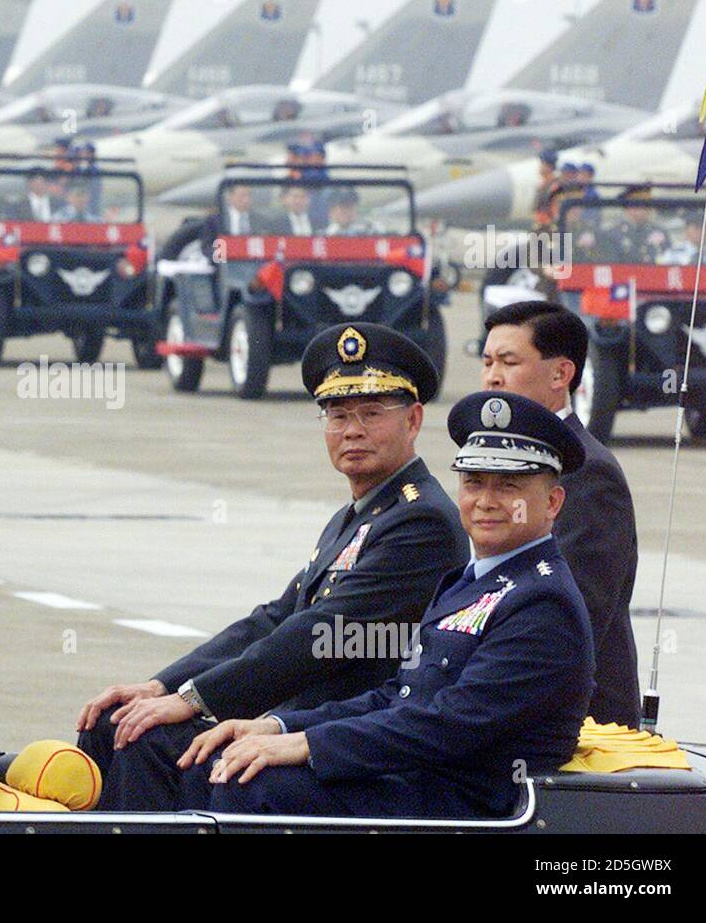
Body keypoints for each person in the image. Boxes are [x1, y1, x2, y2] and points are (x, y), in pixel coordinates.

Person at [76, 323, 469, 811]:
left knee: (146, 745)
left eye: (371, 414)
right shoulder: (361, 512)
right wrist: (165, 685)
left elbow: (316, 634)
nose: (352, 430)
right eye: (338, 414)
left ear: (413, 421)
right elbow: (275, 617)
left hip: (344, 735)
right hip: (296, 722)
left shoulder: (420, 521)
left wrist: (196, 700)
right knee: (114, 722)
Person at [183, 391, 594, 820]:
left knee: (250, 782)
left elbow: (449, 724)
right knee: (216, 762)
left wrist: (308, 746)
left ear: (552, 503)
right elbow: (397, 696)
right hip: (413, 779)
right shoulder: (469, 582)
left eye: (508, 486)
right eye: (473, 482)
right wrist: (281, 726)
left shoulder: (542, 603)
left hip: (465, 807)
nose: (486, 501)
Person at [481, 300, 640, 726]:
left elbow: (573, 618)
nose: (492, 376)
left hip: (576, 723)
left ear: (561, 374)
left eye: (509, 362)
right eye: (488, 361)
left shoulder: (586, 472)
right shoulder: (504, 463)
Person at [602, 185, 668, 263]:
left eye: (647, 205)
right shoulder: (613, 234)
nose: (645, 210)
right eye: (640, 205)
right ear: (628, 208)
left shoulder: (660, 232)